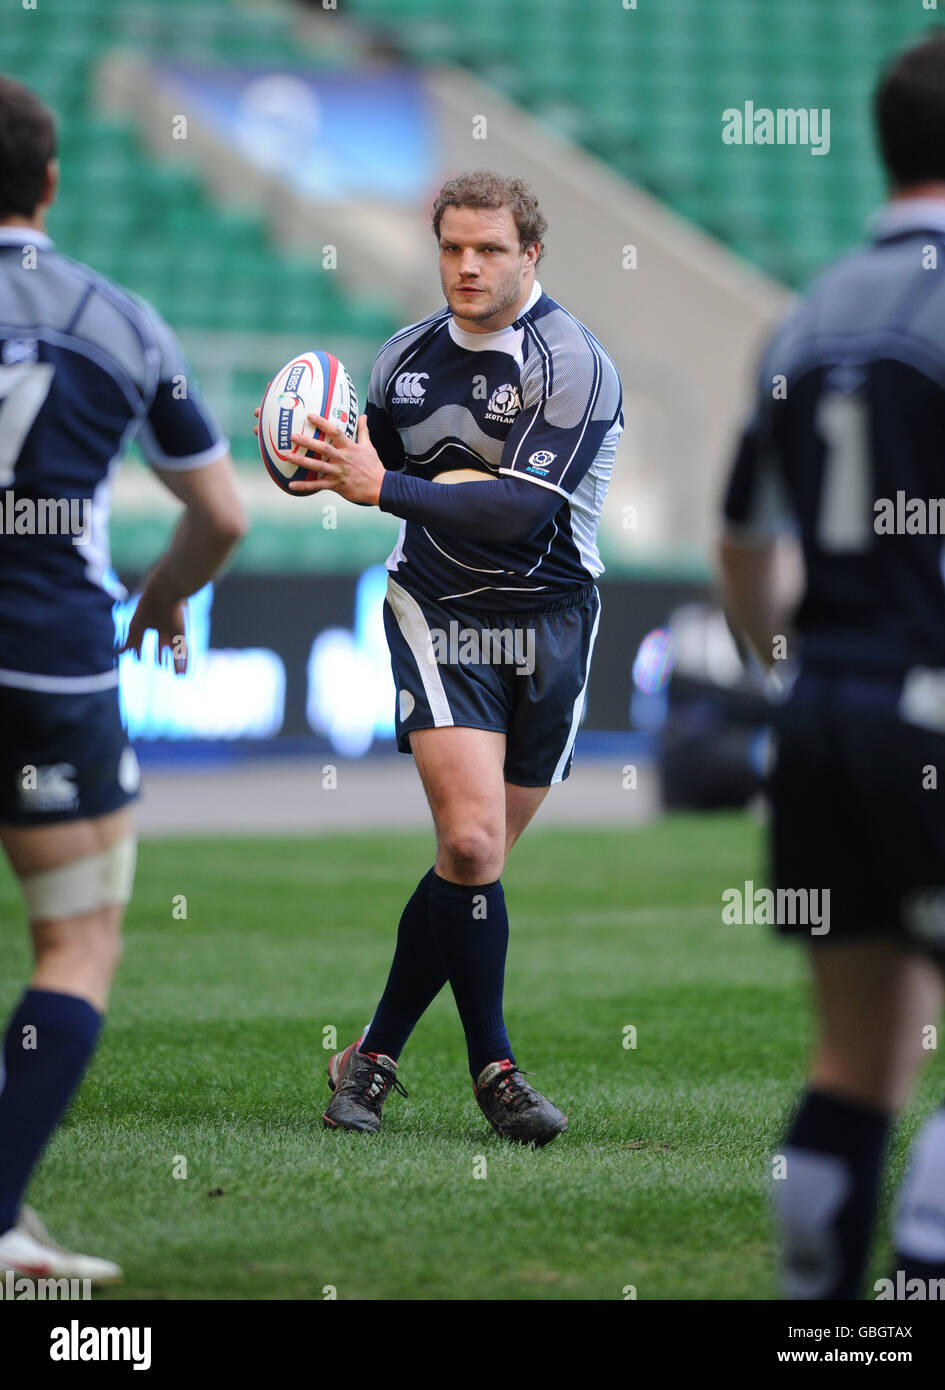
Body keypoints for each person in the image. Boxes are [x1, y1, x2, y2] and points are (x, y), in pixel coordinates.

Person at [276, 170, 623, 1144]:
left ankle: (369, 1054)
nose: (465, 267)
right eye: (451, 248)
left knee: (471, 862)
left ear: (530, 256)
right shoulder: (400, 360)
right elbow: (366, 469)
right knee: (471, 844)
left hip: (552, 620)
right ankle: (495, 1070)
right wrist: (321, 465)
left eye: (488, 250)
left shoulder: (572, 363)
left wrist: (376, 482)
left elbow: (518, 514)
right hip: (437, 611)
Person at [718, 31, 945, 1299]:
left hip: (819, 713)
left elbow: (742, 543)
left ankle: (820, 1318)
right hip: (939, 710)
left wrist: (787, 669)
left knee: (853, 1054)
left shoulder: (800, 318)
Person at [0, 76, 247, 1282]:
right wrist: (160, 597)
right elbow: (220, 514)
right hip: (48, 664)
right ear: (51, 182)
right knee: (77, 936)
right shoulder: (117, 318)